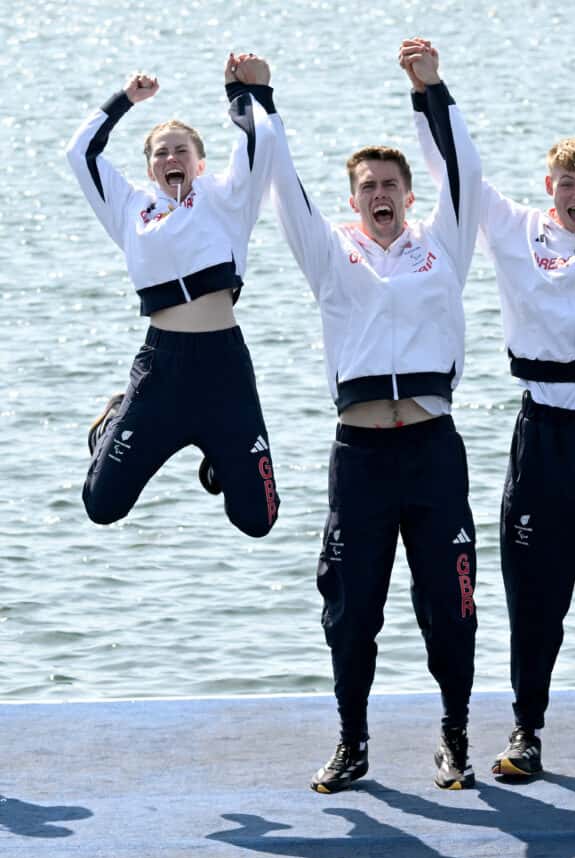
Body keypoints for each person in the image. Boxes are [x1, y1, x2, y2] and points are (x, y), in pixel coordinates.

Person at [422, 26, 575, 779]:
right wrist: (431, 90)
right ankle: (527, 726)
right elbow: (457, 170)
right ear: (548, 189)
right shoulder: (513, 230)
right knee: (537, 590)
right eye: (567, 186)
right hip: (546, 434)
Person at [269, 41, 483, 792]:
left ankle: (455, 735)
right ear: (353, 199)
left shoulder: (444, 248)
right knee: (350, 609)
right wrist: (258, 103)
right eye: (369, 186)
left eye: (392, 184)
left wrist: (431, 91)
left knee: (450, 607)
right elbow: (285, 190)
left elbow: (466, 170)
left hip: (431, 450)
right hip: (359, 457)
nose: (382, 194)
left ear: (409, 195)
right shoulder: (332, 256)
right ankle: (352, 740)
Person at [66, 54, 281, 537]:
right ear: (149, 170)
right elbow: (79, 153)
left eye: (180, 151)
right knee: (101, 506)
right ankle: (118, 417)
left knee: (258, 518)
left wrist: (240, 92)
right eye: (160, 153)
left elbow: (260, 139)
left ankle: (221, 456)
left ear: (199, 163)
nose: (171, 160)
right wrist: (125, 100)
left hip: (224, 365)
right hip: (162, 366)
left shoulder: (226, 198)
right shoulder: (131, 210)